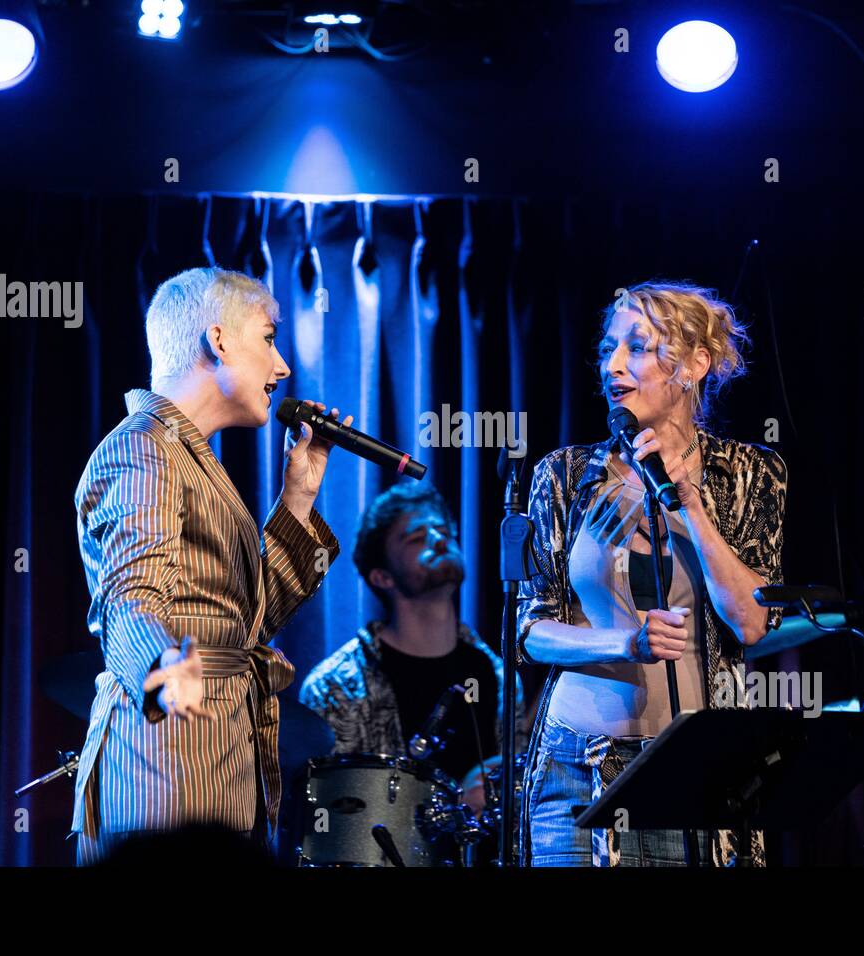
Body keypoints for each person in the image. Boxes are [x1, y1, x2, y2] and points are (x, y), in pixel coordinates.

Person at [69, 267, 352, 865]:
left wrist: (296, 500)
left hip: (221, 748)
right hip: (168, 757)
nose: (283, 368)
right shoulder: (143, 446)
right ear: (217, 340)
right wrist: (162, 664)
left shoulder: (193, 460)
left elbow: (244, 623)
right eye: (270, 339)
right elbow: (128, 596)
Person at [517, 281, 788, 867]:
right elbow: (531, 632)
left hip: (695, 767)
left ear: (695, 364)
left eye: (637, 347)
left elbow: (752, 624)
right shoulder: (564, 475)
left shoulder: (747, 474)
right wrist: (627, 642)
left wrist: (690, 506)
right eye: (608, 348)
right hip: (573, 763)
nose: (613, 365)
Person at [299, 482, 528, 813]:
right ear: (382, 577)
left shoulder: (498, 674)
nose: (439, 539)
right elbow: (334, 821)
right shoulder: (335, 686)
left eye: (443, 530)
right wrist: (454, 807)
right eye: (417, 537)